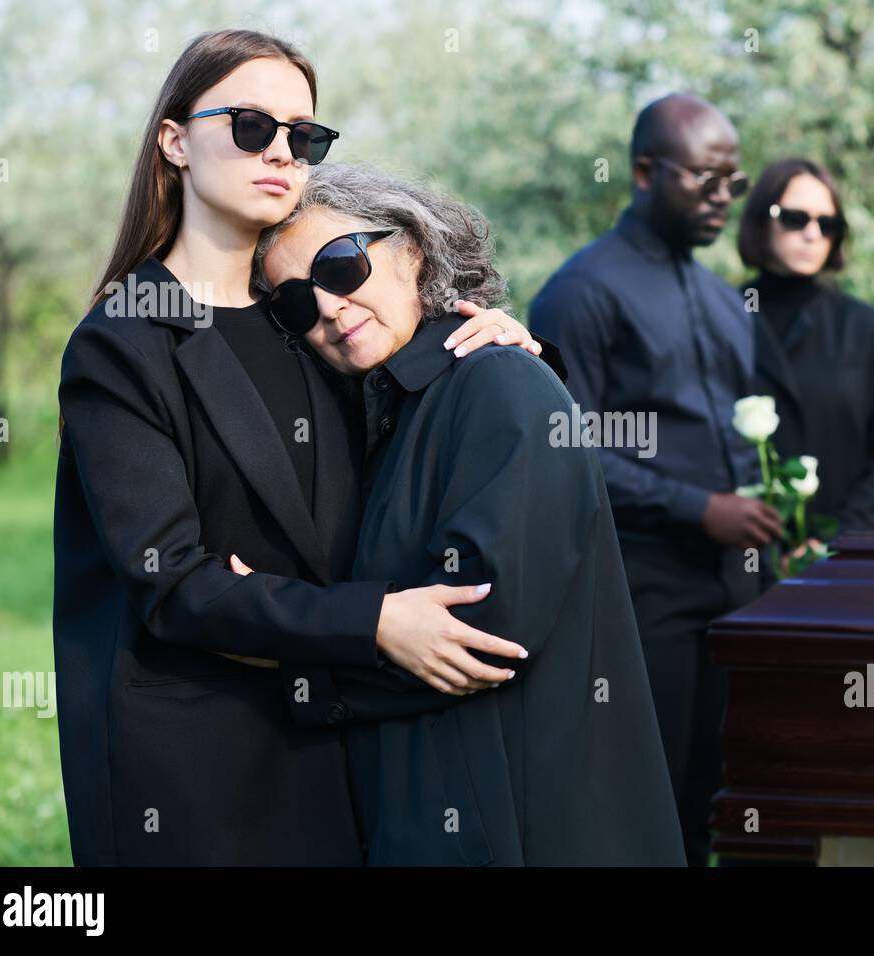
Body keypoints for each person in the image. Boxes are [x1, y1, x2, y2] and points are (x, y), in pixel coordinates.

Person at [54, 29, 549, 865]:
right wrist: (376, 622)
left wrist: (501, 341)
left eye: (303, 135)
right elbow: (173, 585)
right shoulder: (121, 341)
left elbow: (417, 427)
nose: (281, 150)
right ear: (174, 141)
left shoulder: (308, 318)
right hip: (198, 765)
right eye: (251, 126)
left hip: (342, 741)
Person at [248, 163, 686, 865]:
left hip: (519, 823)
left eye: (339, 266)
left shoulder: (498, 381)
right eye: (293, 303)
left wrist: (278, 640)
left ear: (411, 249)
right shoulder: (378, 413)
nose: (326, 306)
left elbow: (481, 631)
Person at [529, 93, 780, 865]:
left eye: (732, 182)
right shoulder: (582, 290)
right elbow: (562, 446)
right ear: (644, 171)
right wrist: (698, 508)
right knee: (645, 805)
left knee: (726, 794)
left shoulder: (722, 296)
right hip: (644, 592)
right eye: (704, 177)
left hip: (740, 590)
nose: (721, 198)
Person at [738, 159, 874, 533]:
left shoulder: (873, 331)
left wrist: (835, 542)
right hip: (733, 559)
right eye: (794, 218)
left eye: (827, 224)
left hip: (840, 561)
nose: (812, 234)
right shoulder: (718, 317)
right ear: (761, 220)